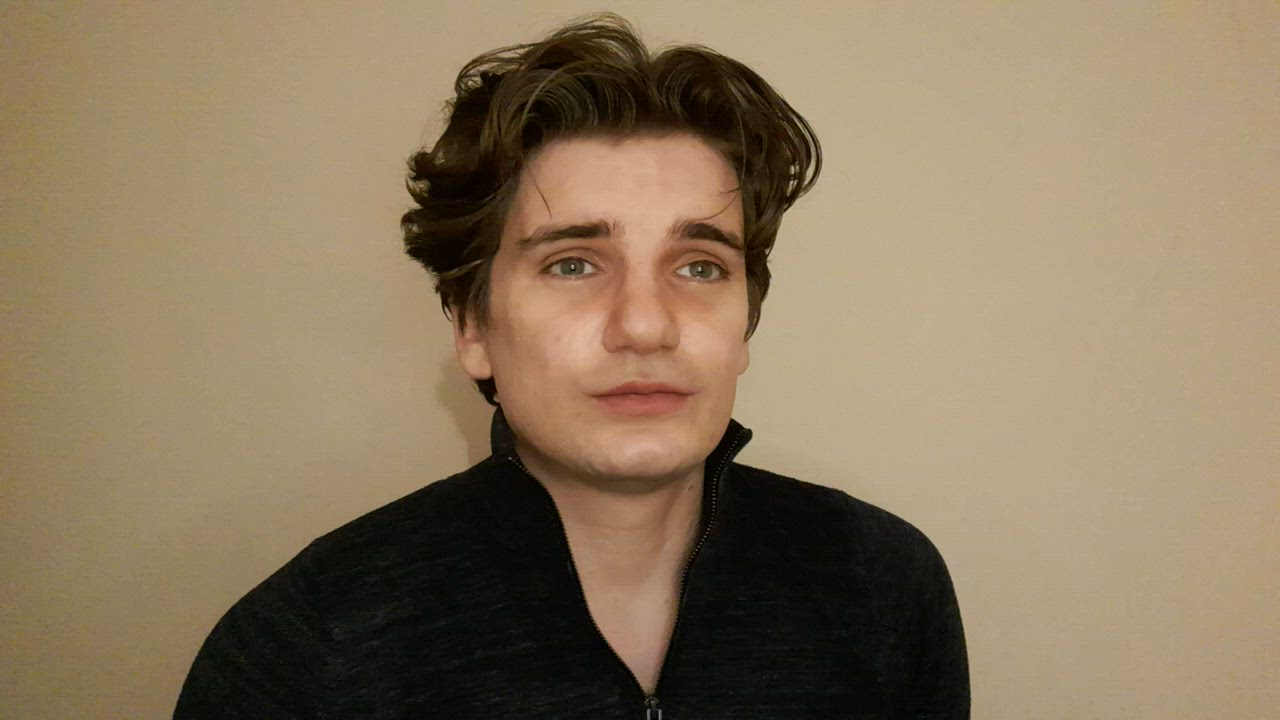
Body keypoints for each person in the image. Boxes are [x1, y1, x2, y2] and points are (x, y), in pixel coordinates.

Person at [174, 14, 969, 719]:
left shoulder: (884, 587)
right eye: (573, 264)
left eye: (699, 267)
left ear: (745, 324)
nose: (646, 325)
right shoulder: (303, 652)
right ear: (472, 325)